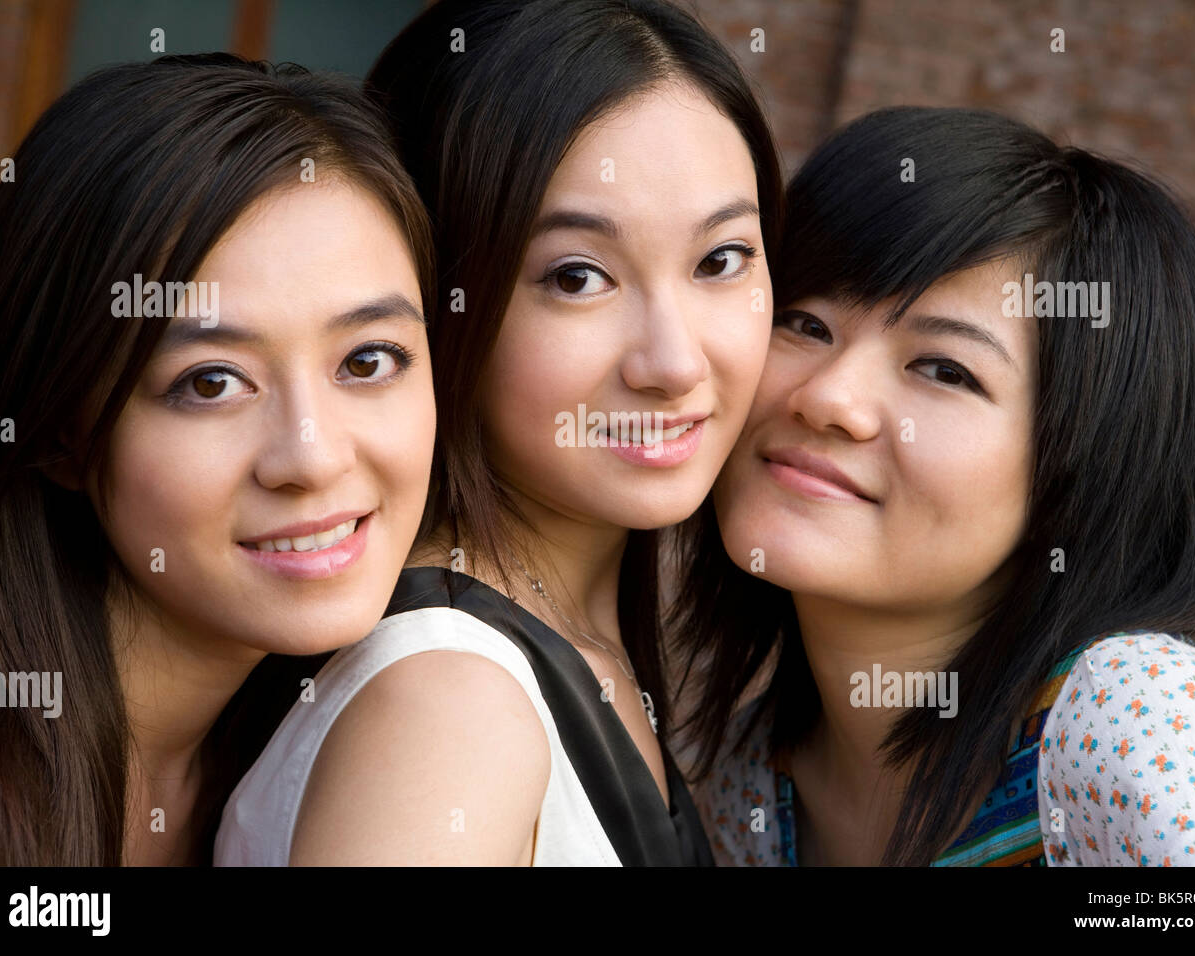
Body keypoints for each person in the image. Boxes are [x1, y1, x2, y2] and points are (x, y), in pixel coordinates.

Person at [216, 0, 783, 865]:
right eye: (577, 276)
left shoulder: (551, 646)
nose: (672, 362)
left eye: (720, 260)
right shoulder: (447, 707)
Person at [675, 106, 1195, 866]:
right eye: (805, 323)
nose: (828, 399)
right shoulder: (738, 789)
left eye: (945, 370)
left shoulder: (1135, 721)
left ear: (1080, 470)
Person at [0, 54, 436, 865]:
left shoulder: (344, 760)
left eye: (367, 361)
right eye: (211, 382)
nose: (311, 458)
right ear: (59, 431)